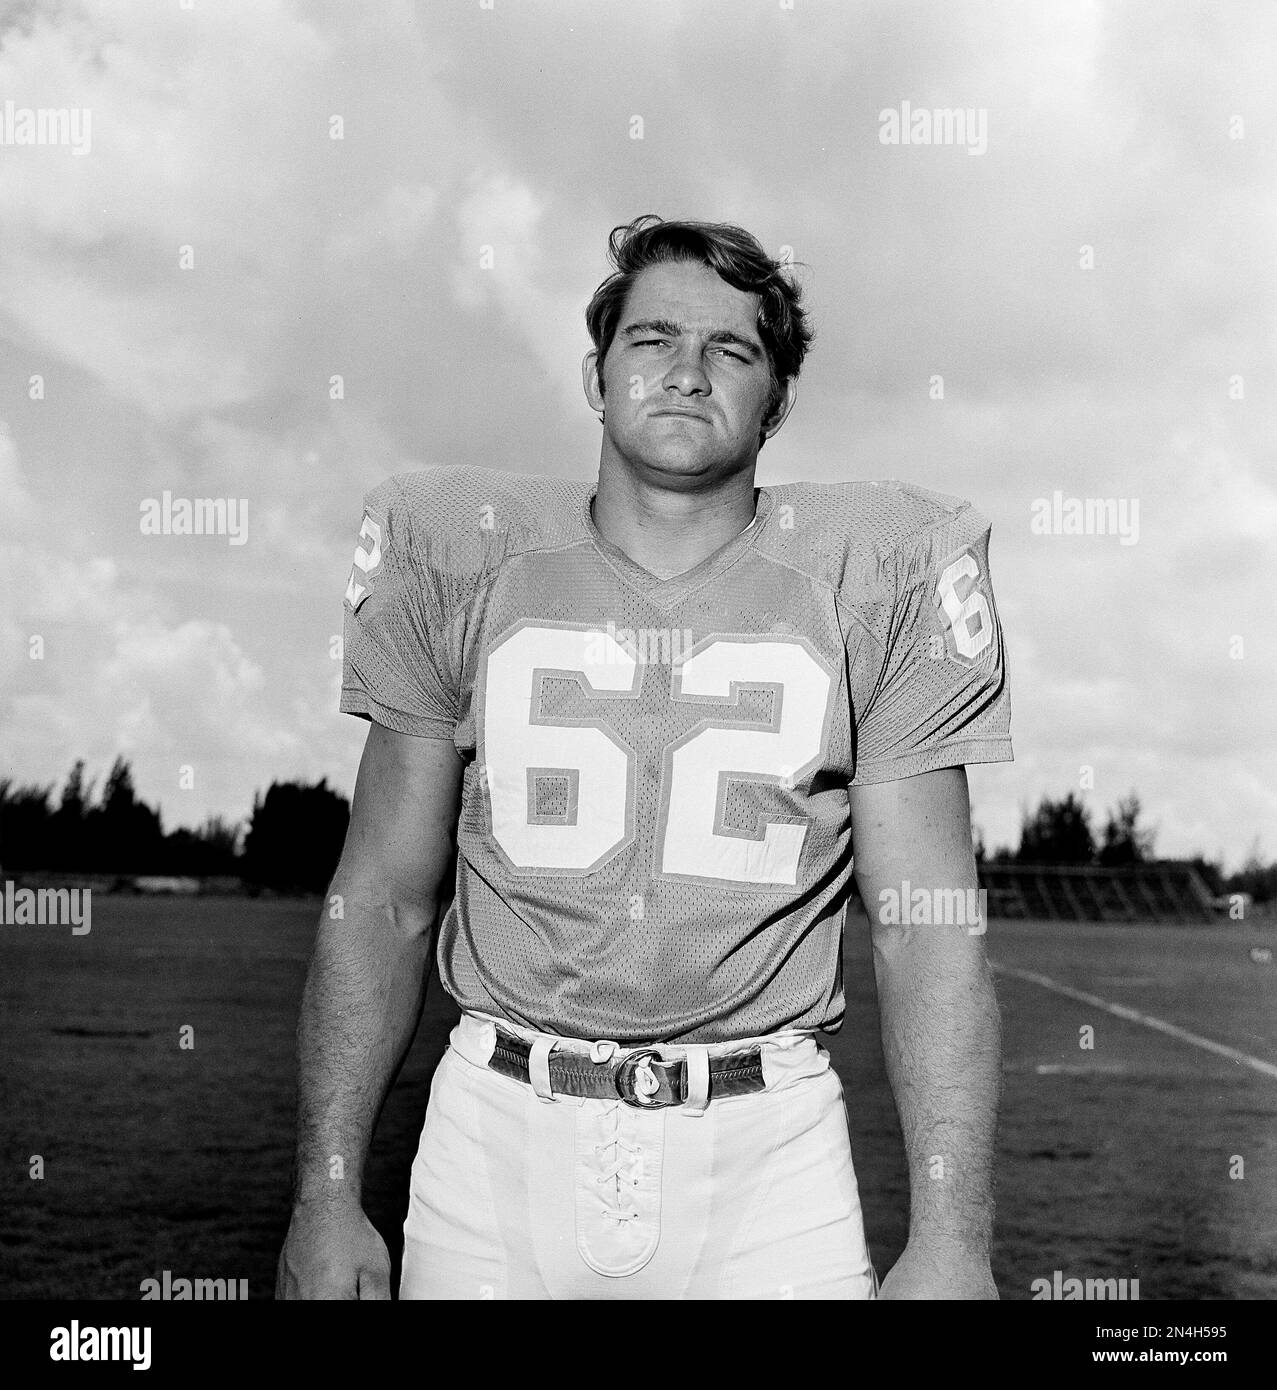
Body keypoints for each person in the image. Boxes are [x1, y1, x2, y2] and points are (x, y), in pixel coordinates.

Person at [276, 215, 1012, 1300]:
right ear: (595, 373)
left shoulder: (882, 569)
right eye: (652, 339)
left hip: (769, 1148)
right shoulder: (456, 549)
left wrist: (953, 1241)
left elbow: (926, 928)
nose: (685, 372)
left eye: (731, 350)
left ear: (779, 399)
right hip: (494, 1132)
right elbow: (382, 897)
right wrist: (326, 1190)